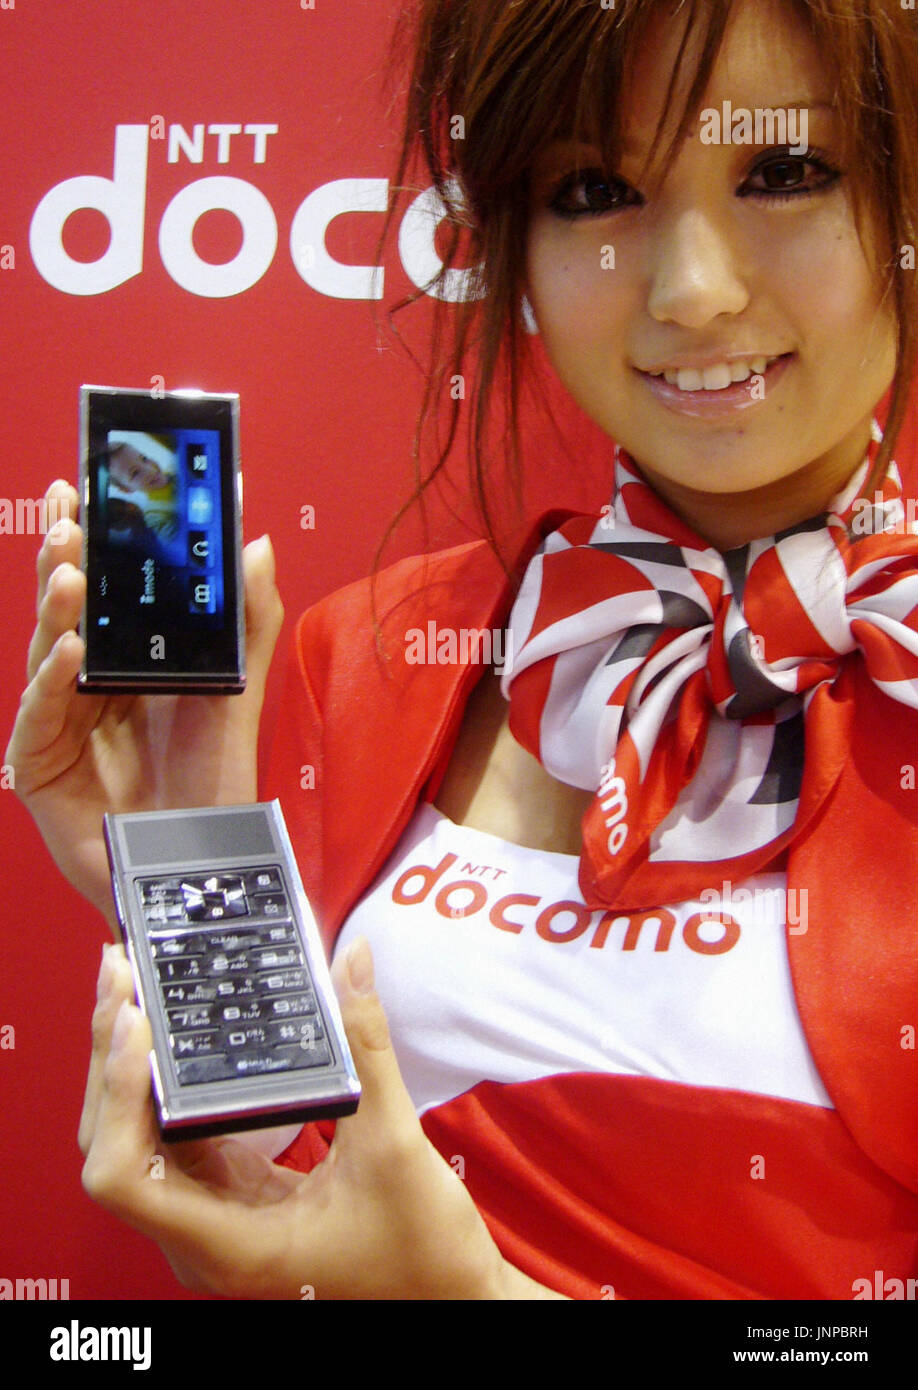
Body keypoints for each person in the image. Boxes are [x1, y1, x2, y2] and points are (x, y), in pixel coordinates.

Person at [7, 0, 918, 1300]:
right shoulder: (375, 649)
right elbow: (308, 1176)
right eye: (595, 189)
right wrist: (175, 857)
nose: (690, 289)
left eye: (785, 170)